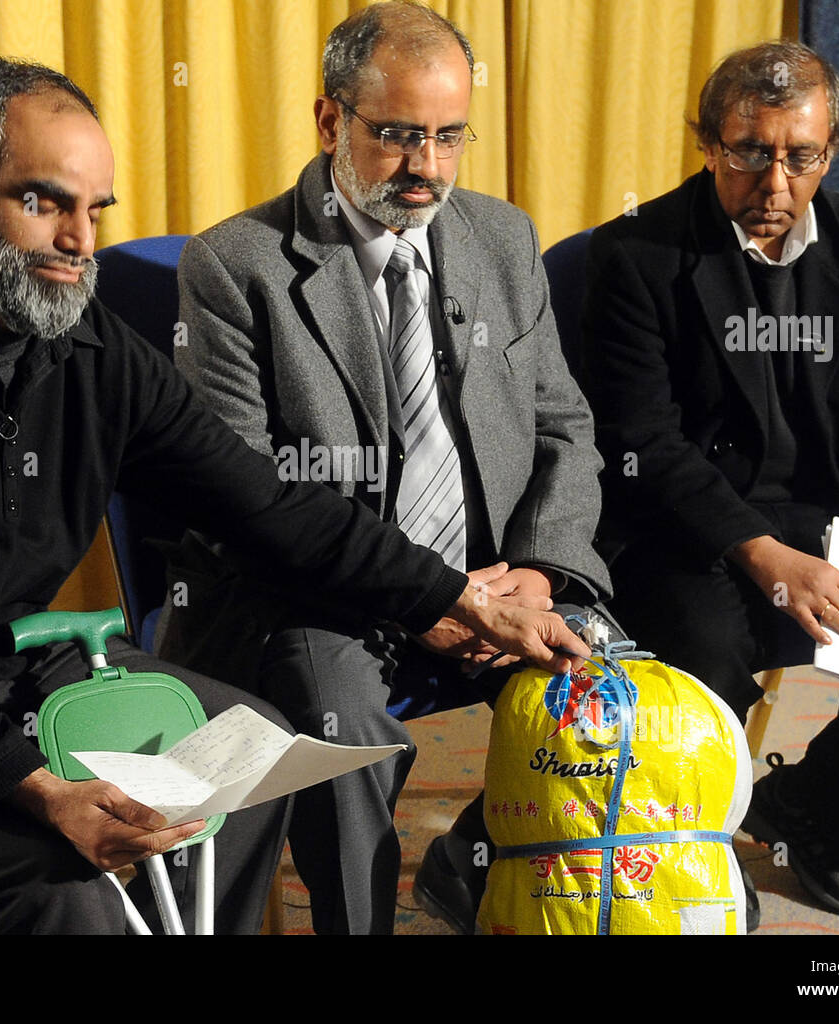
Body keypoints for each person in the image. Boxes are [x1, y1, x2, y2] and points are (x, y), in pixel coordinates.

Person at [0, 56, 590, 935]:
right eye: (44, 202)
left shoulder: (90, 348)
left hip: (6, 661)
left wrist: (461, 599)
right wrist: (39, 786)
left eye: (95, 212)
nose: (79, 243)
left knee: (245, 764)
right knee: (64, 880)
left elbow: (267, 506)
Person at [157, 0, 611, 934]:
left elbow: (563, 423)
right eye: (400, 137)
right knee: (347, 740)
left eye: (450, 137)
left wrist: (538, 572)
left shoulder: (502, 238)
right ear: (331, 121)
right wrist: (434, 599)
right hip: (320, 592)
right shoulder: (235, 266)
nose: (429, 169)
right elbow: (253, 502)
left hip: (496, 576)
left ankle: (479, 870)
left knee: (617, 694)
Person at [580, 39, 839, 921]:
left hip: (829, 520)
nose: (774, 185)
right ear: (707, 143)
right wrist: (761, 554)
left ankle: (823, 816)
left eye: (800, 157)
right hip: (687, 531)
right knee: (702, 643)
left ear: (830, 150)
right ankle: (688, 851)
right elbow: (642, 443)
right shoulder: (635, 256)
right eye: (748, 153)